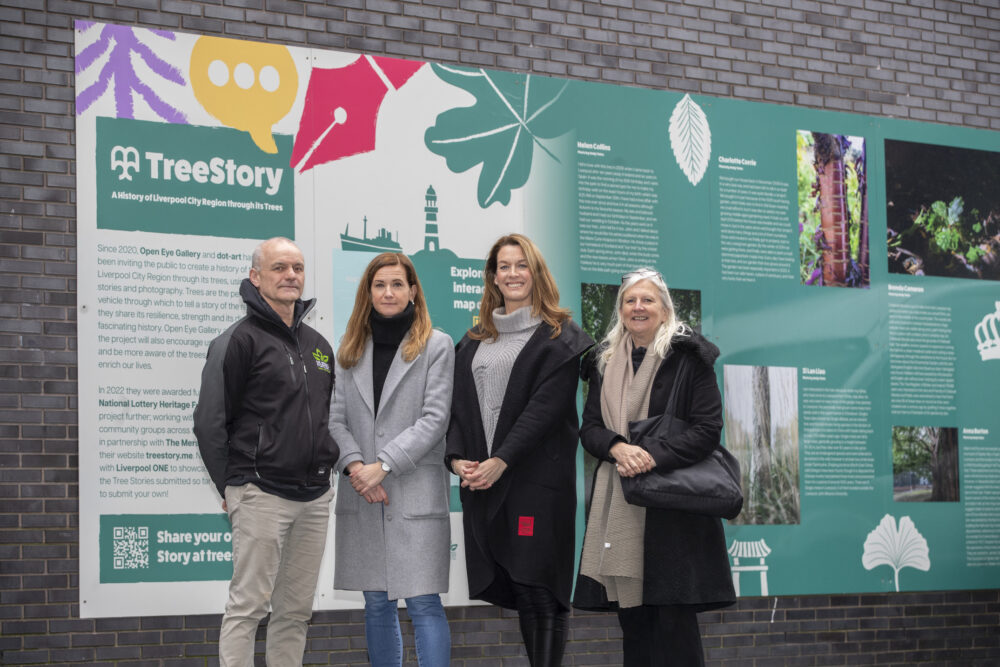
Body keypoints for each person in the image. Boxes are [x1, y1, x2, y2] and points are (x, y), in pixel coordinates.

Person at [573, 268, 735, 666]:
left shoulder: (691, 358)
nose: (638, 307)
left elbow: (707, 430)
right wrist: (616, 447)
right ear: (621, 310)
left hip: (672, 514)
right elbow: (590, 428)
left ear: (664, 310)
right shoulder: (603, 361)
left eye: (647, 300)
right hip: (620, 507)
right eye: (630, 300)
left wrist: (648, 455)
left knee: (675, 631)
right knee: (636, 629)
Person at [446, 233, 593, 666]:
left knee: (539, 589)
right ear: (493, 276)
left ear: (536, 272)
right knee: (517, 586)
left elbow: (543, 412)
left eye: (521, 265)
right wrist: (456, 459)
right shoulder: (473, 340)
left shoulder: (561, 338)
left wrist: (501, 460)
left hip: (536, 486)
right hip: (484, 483)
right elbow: (456, 409)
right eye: (504, 266)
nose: (512, 274)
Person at [193, 237, 339, 666]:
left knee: (294, 612)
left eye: (296, 268)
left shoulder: (318, 346)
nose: (290, 275)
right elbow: (209, 422)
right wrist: (233, 484)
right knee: (247, 609)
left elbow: (327, 417)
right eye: (278, 268)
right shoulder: (237, 341)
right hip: (260, 493)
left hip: (313, 498)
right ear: (256, 278)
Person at [329, 253, 454, 667]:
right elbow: (334, 420)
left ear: (413, 291)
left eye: (397, 284)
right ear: (368, 291)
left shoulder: (436, 345)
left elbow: (434, 420)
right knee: (376, 604)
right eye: (379, 284)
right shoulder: (348, 348)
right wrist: (356, 469)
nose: (388, 292)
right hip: (363, 493)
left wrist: (381, 465)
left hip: (413, 488)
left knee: (424, 604)